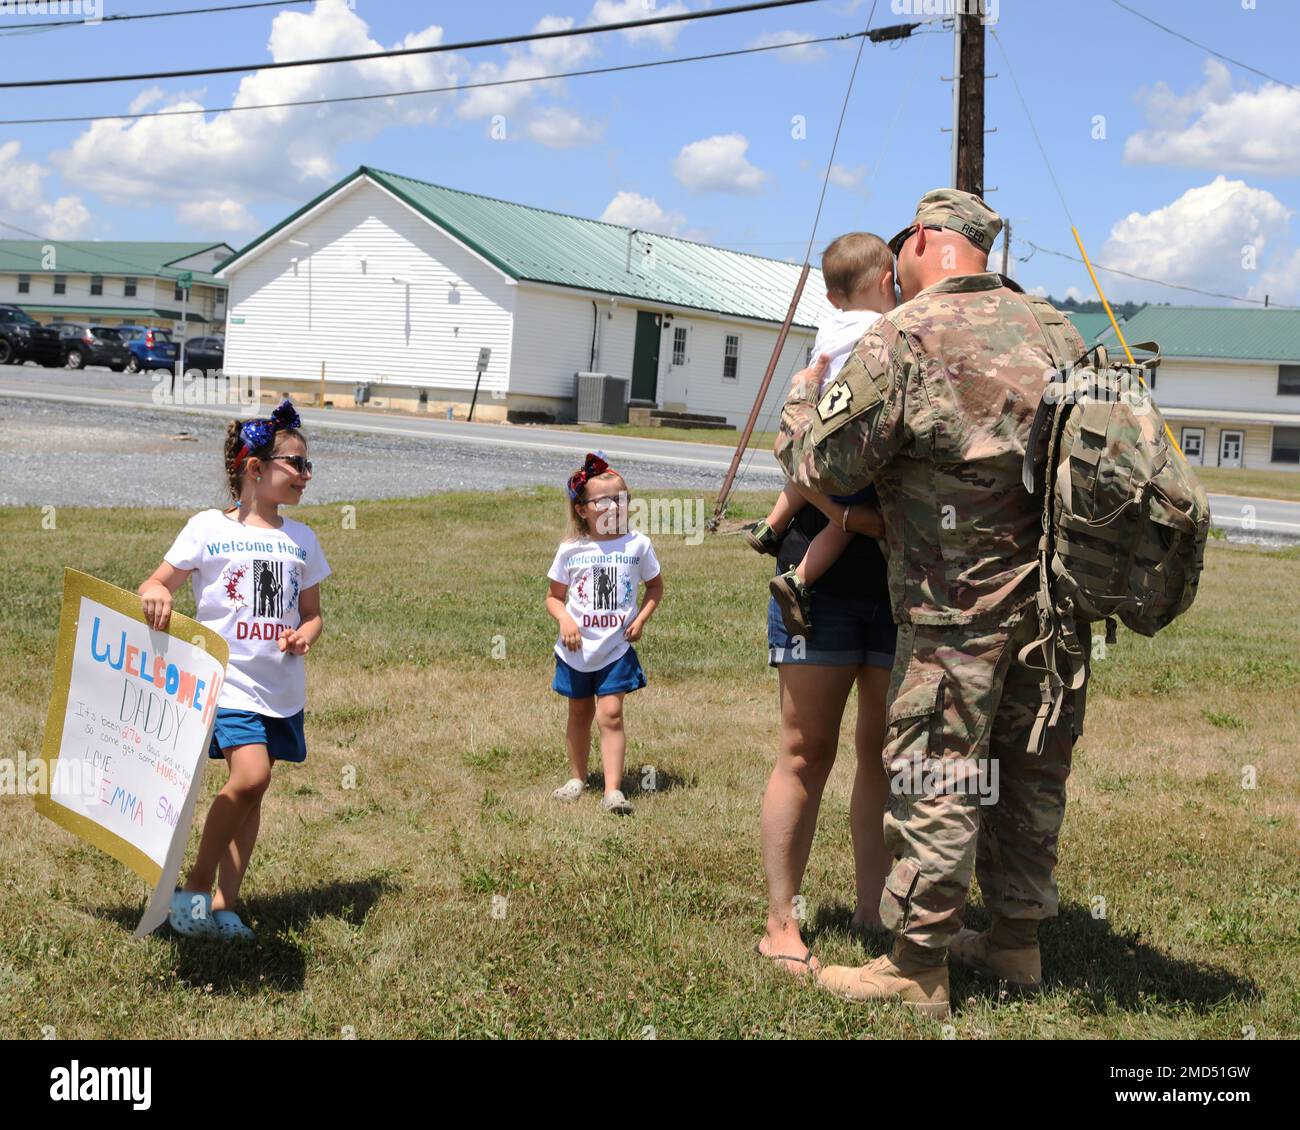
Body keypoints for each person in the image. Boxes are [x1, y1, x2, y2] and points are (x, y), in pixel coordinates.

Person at [774, 189, 1090, 1017]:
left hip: (953, 613)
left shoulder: (906, 334)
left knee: (937, 774)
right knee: (1026, 772)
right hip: (1053, 611)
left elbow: (825, 460)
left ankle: (917, 966)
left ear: (919, 239)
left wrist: (802, 401)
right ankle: (1016, 944)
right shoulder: (1056, 331)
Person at [138, 399, 330, 941]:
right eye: (295, 464)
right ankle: (194, 891)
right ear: (254, 468)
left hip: (282, 688)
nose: (306, 475)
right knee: (252, 776)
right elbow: (157, 582)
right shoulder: (206, 529)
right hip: (226, 683)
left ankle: (226, 904)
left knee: (253, 795)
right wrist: (156, 596)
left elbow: (313, 615)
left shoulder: (302, 540)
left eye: (307, 465)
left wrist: (304, 636)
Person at [756, 490, 898, 977]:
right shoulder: (811, 406)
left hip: (905, 586)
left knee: (886, 754)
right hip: (817, 594)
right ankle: (780, 928)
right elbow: (799, 456)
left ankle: (874, 910)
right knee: (805, 753)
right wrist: (849, 516)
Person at [745, 232, 896, 638]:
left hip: (818, 424)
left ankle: (771, 525)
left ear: (832, 297)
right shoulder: (888, 328)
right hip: (854, 442)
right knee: (843, 523)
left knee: (802, 471)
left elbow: (817, 373)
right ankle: (801, 579)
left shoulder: (829, 326)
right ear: (887, 283)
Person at [547, 453, 663, 815]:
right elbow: (553, 598)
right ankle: (577, 778)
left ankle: (613, 790)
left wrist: (641, 619)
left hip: (616, 649)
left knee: (610, 714)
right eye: (604, 501)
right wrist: (565, 621)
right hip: (576, 651)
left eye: (621, 499)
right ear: (583, 510)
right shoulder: (571, 550)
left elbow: (655, 588)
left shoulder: (637, 545)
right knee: (579, 712)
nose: (615, 506)